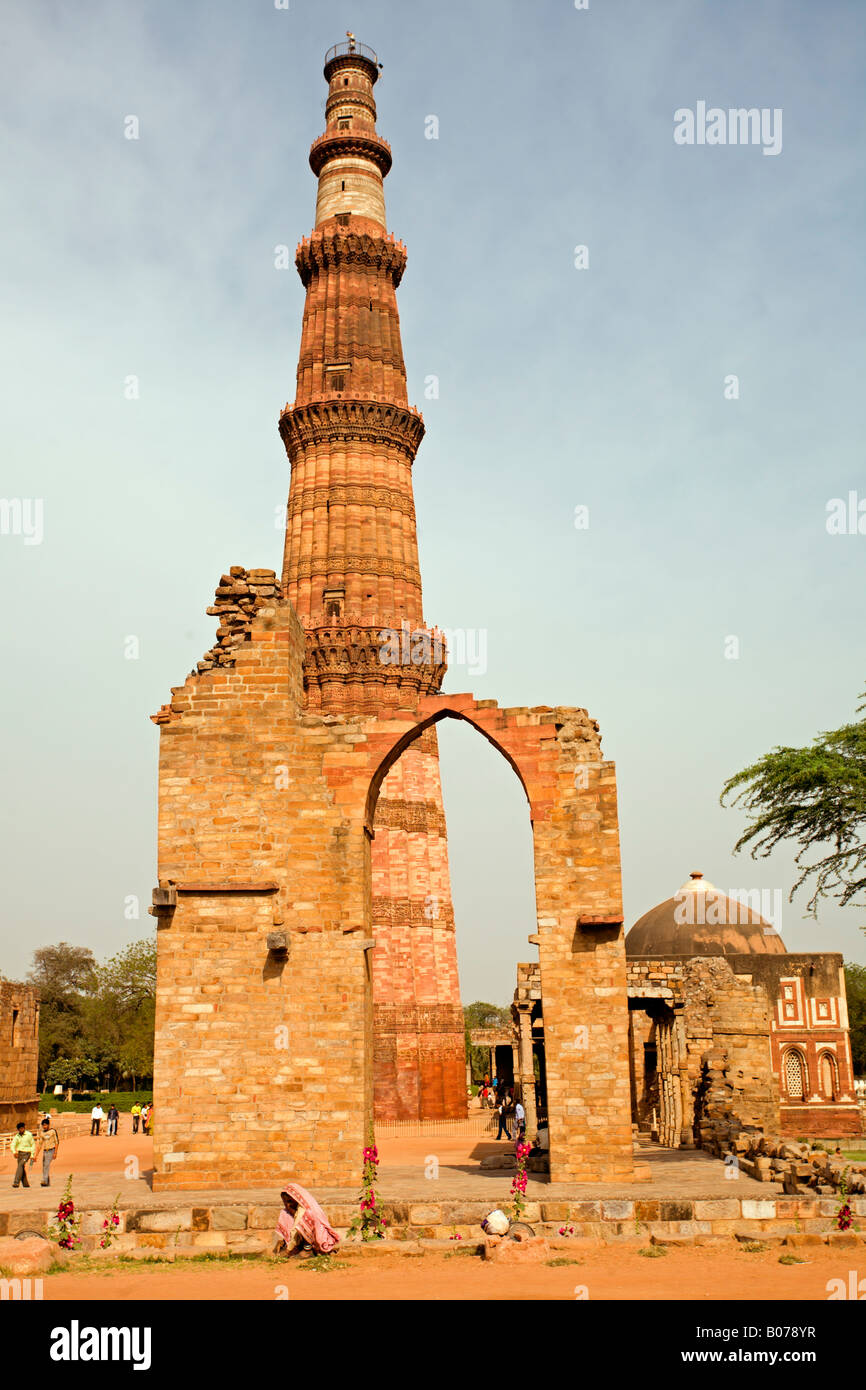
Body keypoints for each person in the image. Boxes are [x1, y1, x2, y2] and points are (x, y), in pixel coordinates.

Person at [273, 1183, 340, 1258]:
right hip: (298, 1241)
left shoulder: (306, 1211)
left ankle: (308, 1251)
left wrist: (288, 1251)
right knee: (285, 1214)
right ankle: (295, 1248)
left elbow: (296, 1230)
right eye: (285, 1202)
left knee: (304, 1221)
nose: (288, 1205)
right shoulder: (289, 1211)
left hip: (317, 1239)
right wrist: (283, 1241)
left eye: (290, 1201)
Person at [33, 1116, 60, 1187]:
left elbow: (57, 1142)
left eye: (45, 1125)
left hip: (51, 1150)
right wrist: (36, 1155)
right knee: (44, 1166)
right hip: (45, 1151)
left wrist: (55, 1153)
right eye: (43, 1125)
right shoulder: (42, 1133)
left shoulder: (53, 1131)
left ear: (48, 1125)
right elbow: (40, 1145)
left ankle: (44, 1180)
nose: (44, 1126)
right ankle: (47, 1182)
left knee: (46, 1166)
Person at [11, 1122, 36, 1188]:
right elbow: (13, 1144)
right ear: (18, 1129)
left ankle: (16, 1182)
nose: (21, 1130)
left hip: (27, 1153)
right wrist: (14, 1152)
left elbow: (33, 1144)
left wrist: (32, 1155)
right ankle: (25, 1184)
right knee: (21, 1168)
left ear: (24, 1128)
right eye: (20, 1129)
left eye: (22, 1128)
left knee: (20, 1165)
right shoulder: (17, 1136)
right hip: (20, 1153)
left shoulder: (29, 1135)